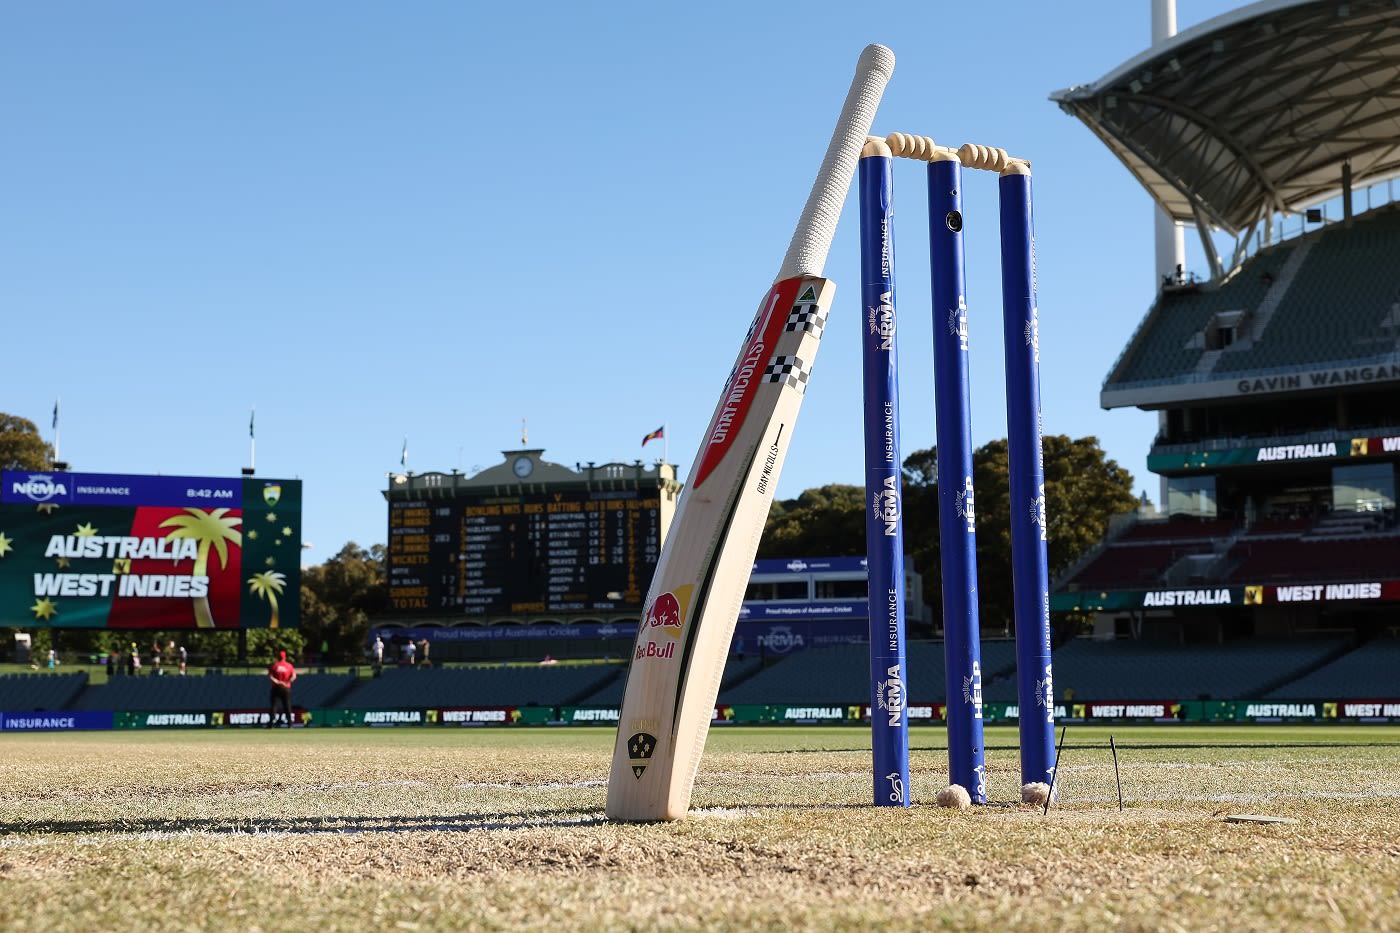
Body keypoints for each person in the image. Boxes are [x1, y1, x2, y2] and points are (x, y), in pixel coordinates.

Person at [267, 650, 297, 728]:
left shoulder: (274, 666)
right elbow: (294, 676)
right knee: (287, 706)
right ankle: (290, 724)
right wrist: (287, 682)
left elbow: (270, 677)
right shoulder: (289, 666)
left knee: (274, 706)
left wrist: (278, 682)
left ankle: (271, 724)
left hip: (276, 688)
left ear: (278, 657)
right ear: (285, 657)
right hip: (286, 688)